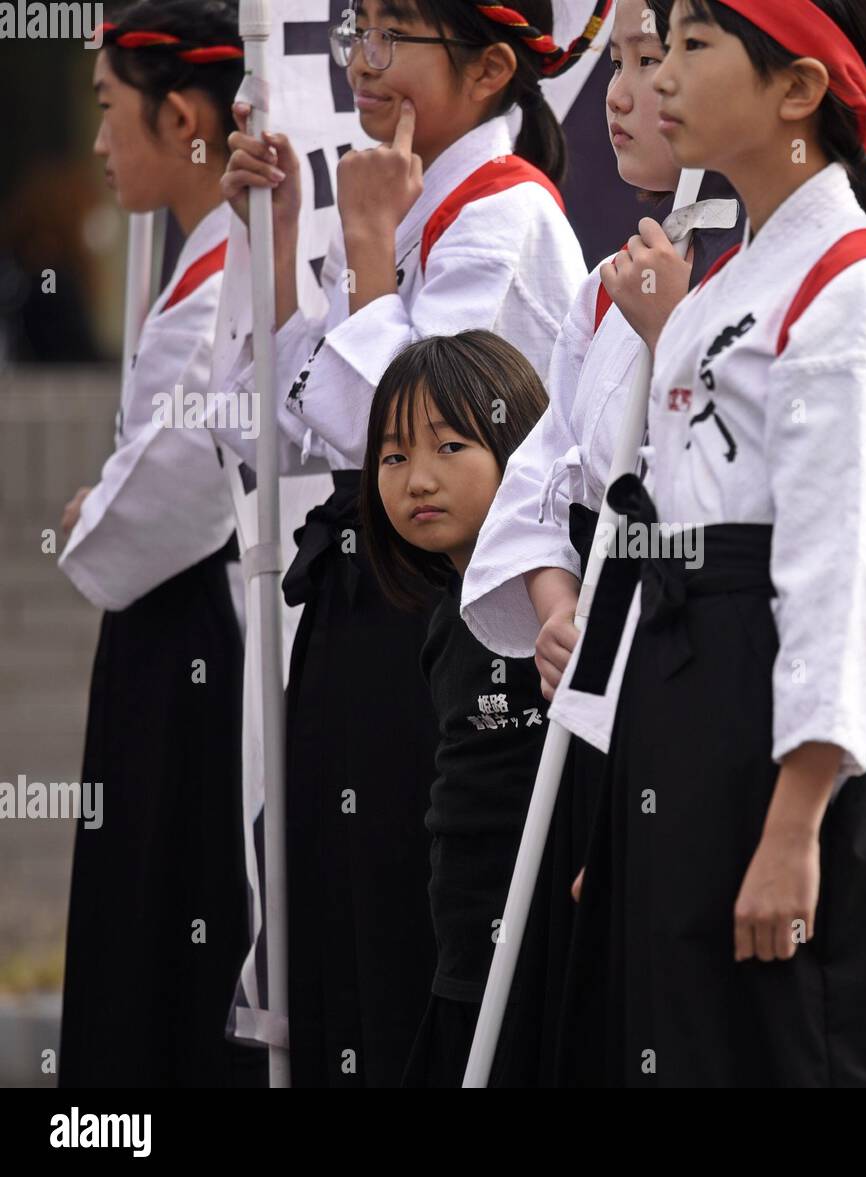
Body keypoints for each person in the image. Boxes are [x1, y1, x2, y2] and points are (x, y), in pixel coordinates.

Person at [554, 0, 866, 1086]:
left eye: (692, 45)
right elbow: (659, 533)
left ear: (799, 89)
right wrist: (625, 812)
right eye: (657, 44)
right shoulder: (730, 283)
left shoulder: (857, 295)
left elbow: (851, 576)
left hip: (776, 743)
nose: (657, 74)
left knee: (795, 1045)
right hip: (686, 719)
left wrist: (795, 822)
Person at [212, 0, 603, 1086]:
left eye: (392, 38)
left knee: (403, 931)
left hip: (444, 621)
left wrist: (372, 249)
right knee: (338, 916)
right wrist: (286, 236)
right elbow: (286, 418)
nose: (364, 66)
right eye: (356, 34)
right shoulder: (424, 201)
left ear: (487, 70)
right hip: (371, 603)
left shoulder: (506, 218)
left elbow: (406, 437)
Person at [458, 0, 742, 1080]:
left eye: (656, 58)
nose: (626, 92)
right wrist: (554, 606)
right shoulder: (600, 284)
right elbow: (538, 483)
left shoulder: (756, 287)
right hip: (587, 708)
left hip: (688, 697)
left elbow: (731, 494)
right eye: (618, 61)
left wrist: (674, 329)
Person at [57, 0, 263, 1088]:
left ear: (182, 116)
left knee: (169, 900)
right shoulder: (209, 256)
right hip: (180, 627)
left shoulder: (236, 259)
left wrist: (95, 513)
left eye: (107, 111)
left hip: (196, 637)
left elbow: (186, 485)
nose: (95, 143)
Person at [358, 330, 551, 1086]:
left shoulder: (557, 608)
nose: (418, 481)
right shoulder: (444, 619)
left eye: (450, 447)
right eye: (394, 456)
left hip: (547, 941)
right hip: (466, 943)